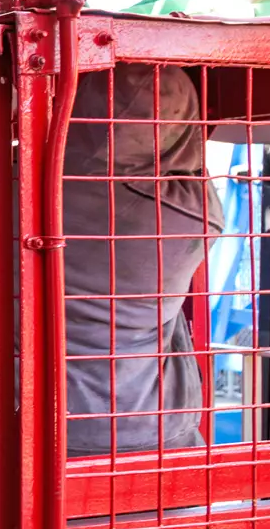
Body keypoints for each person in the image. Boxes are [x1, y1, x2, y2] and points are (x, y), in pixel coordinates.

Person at [62, 63, 223, 454]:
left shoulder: (20, 186)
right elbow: (195, 173)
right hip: (145, 430)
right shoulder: (186, 214)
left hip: (35, 419)